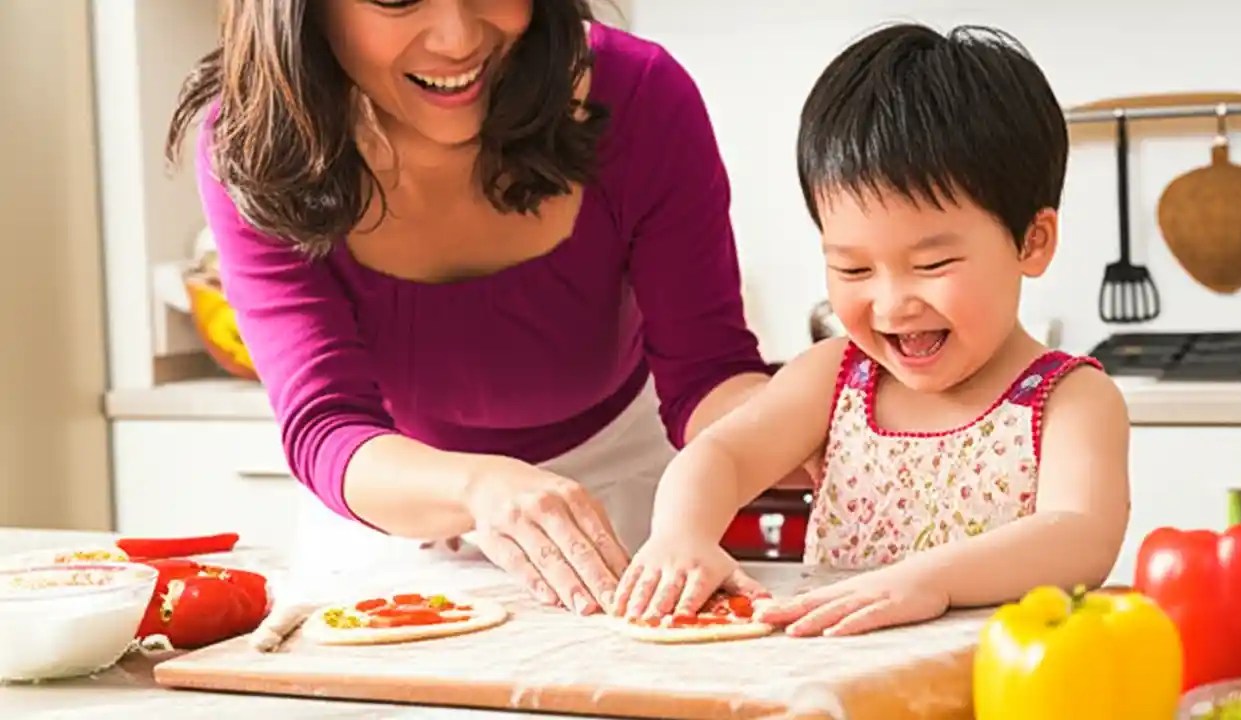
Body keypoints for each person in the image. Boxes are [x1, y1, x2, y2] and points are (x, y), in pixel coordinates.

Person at [164, 0, 780, 615]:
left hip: (631, 519)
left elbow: (709, 375)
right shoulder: (255, 146)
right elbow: (327, 428)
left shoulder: (638, 93)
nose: (457, 38)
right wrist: (478, 486)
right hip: (389, 522)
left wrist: (801, 426)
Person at [611, 22, 1132, 637]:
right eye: (852, 267)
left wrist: (928, 580)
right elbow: (720, 454)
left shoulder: (1070, 399)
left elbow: (1081, 534)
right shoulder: (834, 379)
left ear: (1032, 241)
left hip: (996, 688)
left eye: (932, 264)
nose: (891, 304)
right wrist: (681, 533)